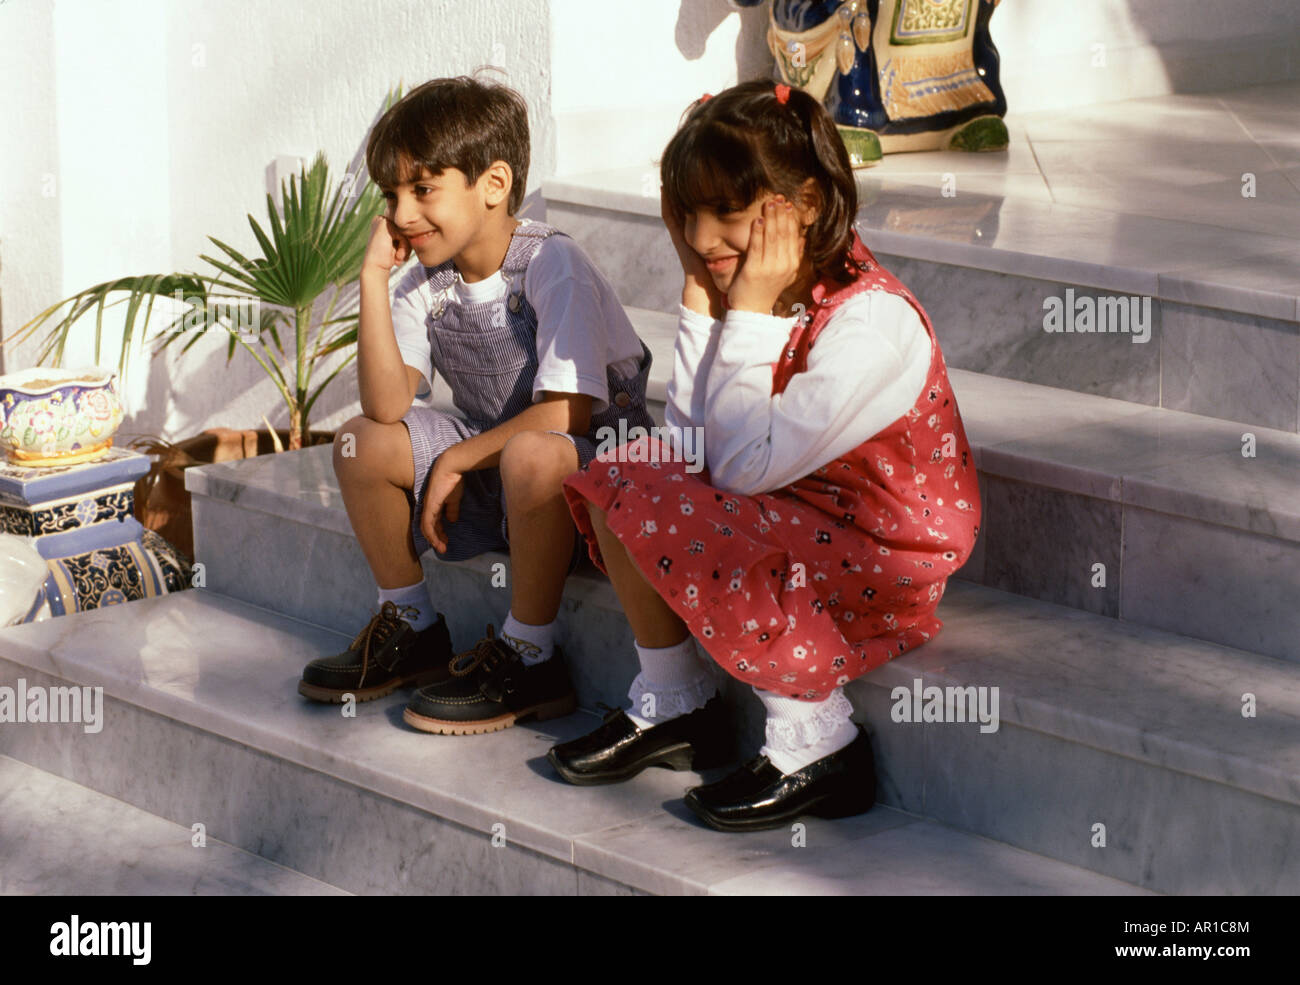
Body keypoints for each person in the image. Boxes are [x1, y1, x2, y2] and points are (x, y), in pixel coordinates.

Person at [548, 80, 981, 831]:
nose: (705, 235)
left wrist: (741, 314)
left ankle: (818, 741)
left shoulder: (869, 321)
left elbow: (739, 469)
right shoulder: (765, 293)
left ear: (804, 204)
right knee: (620, 474)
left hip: (885, 553)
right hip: (797, 506)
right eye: (688, 215)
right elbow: (691, 445)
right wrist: (703, 302)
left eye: (726, 212)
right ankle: (675, 700)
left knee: (663, 491)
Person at [297, 76, 655, 736]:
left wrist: (459, 457)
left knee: (530, 449)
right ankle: (410, 622)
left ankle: (530, 654)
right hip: (499, 474)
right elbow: (386, 403)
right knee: (359, 441)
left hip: (585, 491)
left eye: (423, 188)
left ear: (492, 183)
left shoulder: (553, 263)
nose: (402, 213)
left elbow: (566, 416)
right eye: (392, 195)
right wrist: (372, 279)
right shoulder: (422, 282)